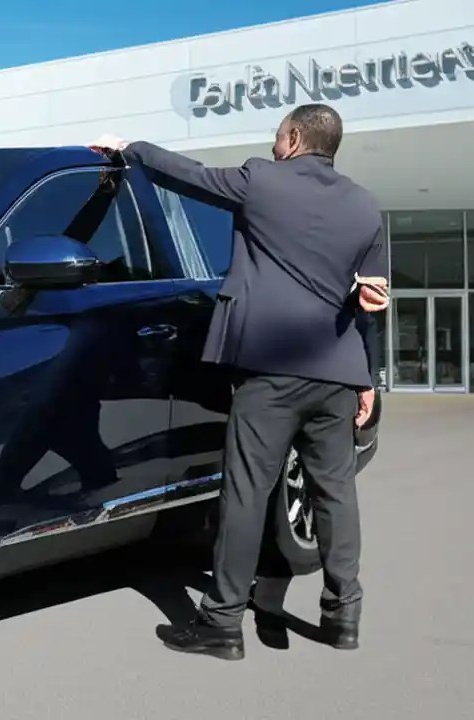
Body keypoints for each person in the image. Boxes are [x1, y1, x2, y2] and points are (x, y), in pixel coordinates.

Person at [89, 103, 389, 660]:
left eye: (279, 135)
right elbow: (371, 299)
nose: (274, 143)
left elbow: (187, 174)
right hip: (339, 373)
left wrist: (127, 148)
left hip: (270, 371)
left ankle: (222, 624)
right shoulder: (365, 206)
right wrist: (367, 377)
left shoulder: (262, 180)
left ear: (295, 137)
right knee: (336, 496)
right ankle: (343, 615)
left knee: (247, 492)